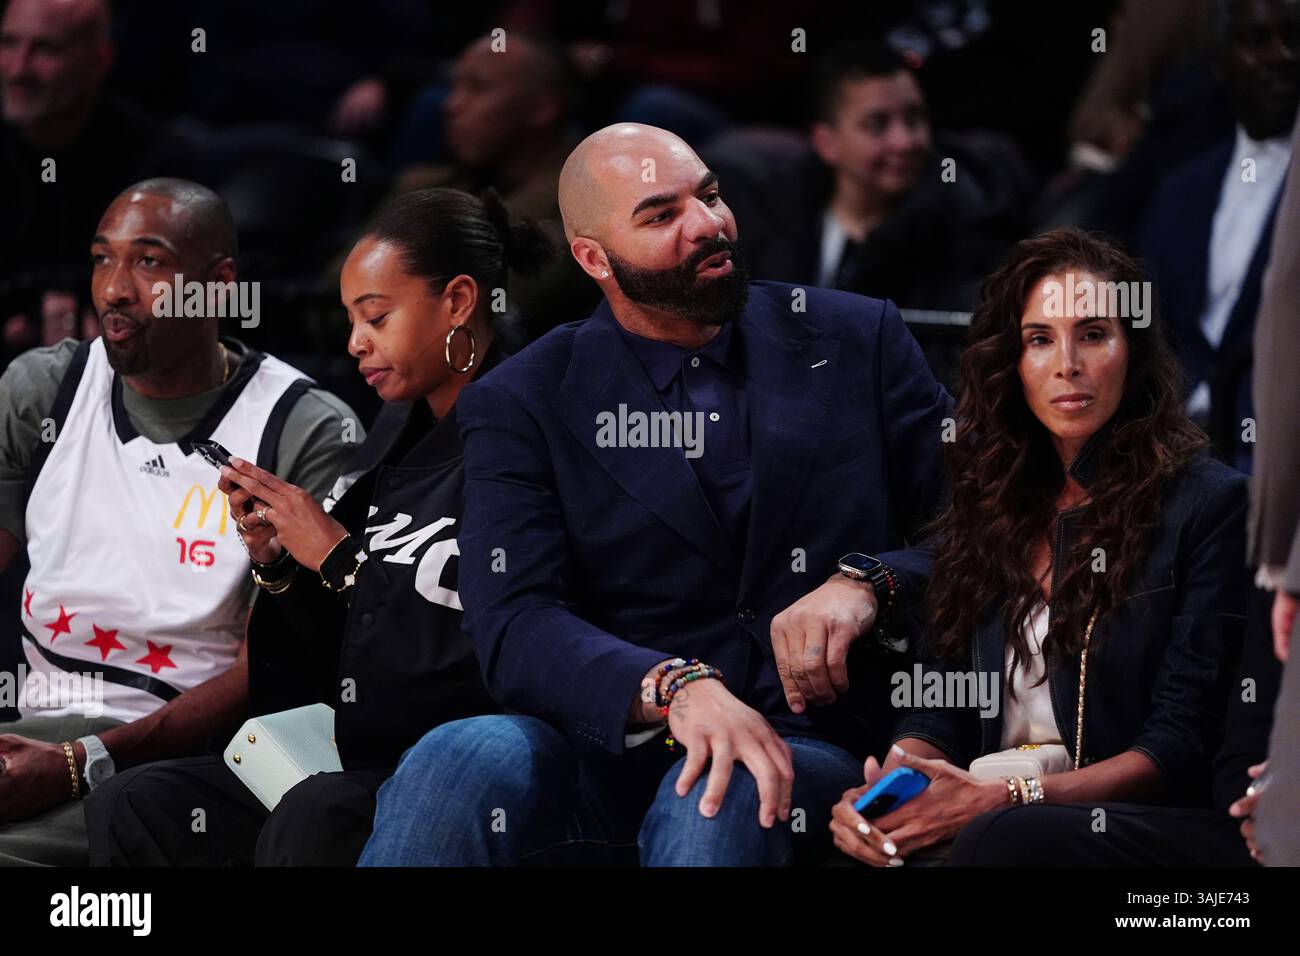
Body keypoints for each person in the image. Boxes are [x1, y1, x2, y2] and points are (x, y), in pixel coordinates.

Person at [358, 122, 951, 867]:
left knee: (720, 788)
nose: (708, 226)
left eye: (709, 196)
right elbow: (515, 621)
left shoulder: (857, 339)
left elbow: (977, 534)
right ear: (592, 258)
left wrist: (870, 579)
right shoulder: (523, 401)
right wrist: (673, 687)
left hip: (808, 746)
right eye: (662, 215)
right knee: (462, 751)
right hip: (612, 744)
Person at [84, 188, 552, 866]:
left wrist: (338, 558)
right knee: (135, 803)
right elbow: (334, 661)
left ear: (456, 301)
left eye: (376, 316)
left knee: (318, 813)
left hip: (462, 766)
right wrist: (278, 564)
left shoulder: (529, 431)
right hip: (359, 745)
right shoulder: (395, 430)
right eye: (350, 319)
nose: (355, 342)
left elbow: (496, 651)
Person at [827, 228, 1252, 866]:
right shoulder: (989, 498)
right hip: (992, 815)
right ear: (1012, 362)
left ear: (1131, 350)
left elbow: (1176, 745)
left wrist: (1007, 797)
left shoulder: (1208, 504)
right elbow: (940, 709)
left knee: (1003, 842)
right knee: (862, 849)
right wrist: (889, 792)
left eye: (1093, 334)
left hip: (1134, 825)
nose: (1067, 365)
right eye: (1039, 339)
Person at [0, 178, 360, 866]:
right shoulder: (42, 388)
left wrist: (84, 760)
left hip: (180, 761)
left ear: (219, 285)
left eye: (150, 262)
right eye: (103, 258)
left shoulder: (303, 428)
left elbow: (272, 669)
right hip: (32, 728)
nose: (113, 288)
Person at [715, 38, 1025, 312]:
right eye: (877, 125)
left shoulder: (966, 222)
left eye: (914, 119)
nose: (905, 142)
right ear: (827, 143)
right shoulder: (774, 213)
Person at [1138, 0, 1300, 467]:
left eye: (1294, 38)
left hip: (1276, 458)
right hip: (1171, 454)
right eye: (1257, 40)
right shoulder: (1181, 193)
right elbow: (1147, 323)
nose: (1281, 56)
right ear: (1225, 59)